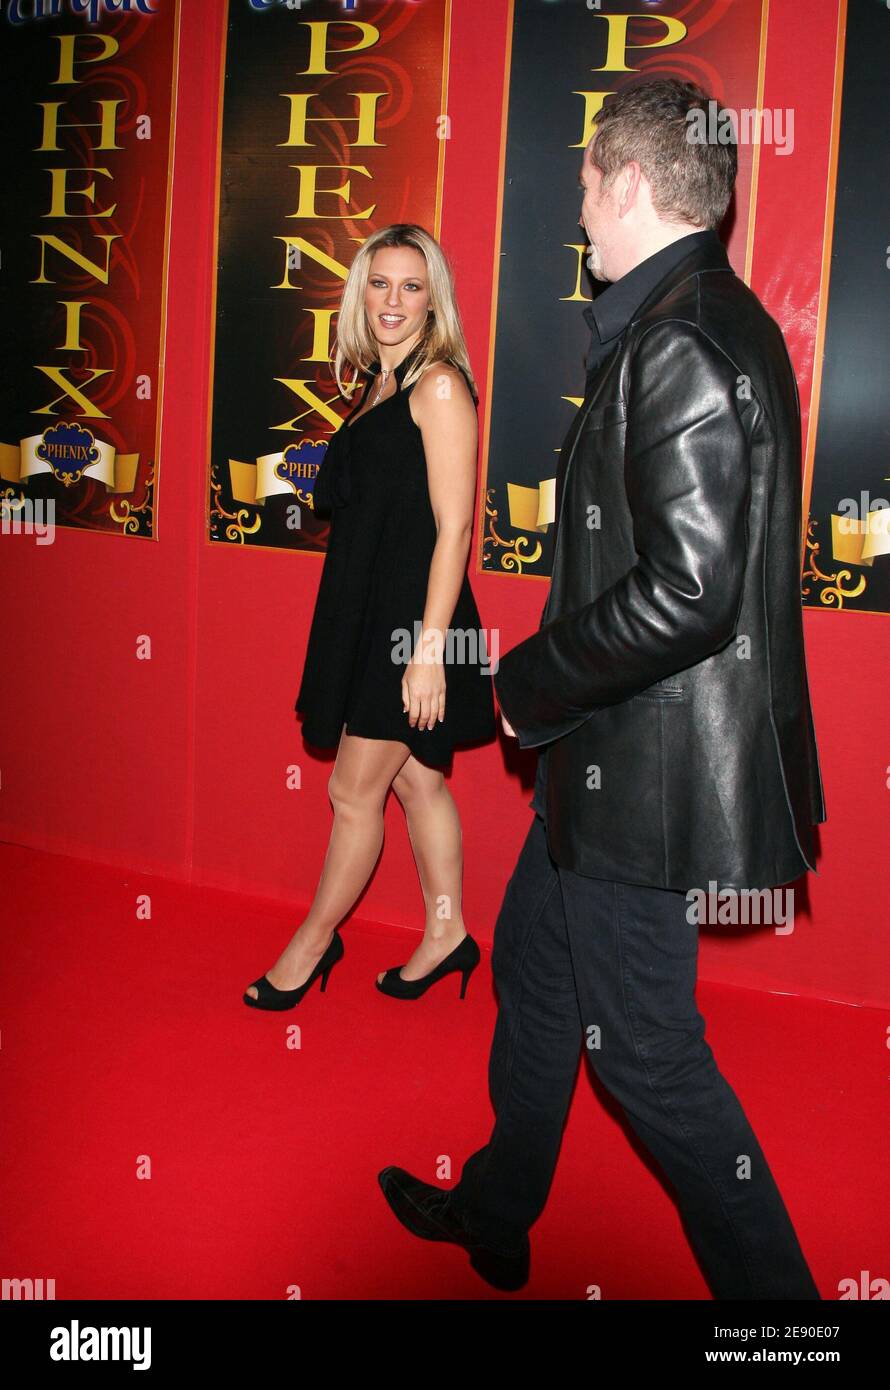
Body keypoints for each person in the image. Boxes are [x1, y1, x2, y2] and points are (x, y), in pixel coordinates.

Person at [378, 79, 826, 1299]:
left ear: (628, 184)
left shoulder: (681, 335)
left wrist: (522, 689)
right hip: (616, 756)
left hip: (646, 777)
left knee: (645, 1059)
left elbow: (688, 594)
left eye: (582, 182)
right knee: (532, 960)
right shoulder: (698, 315)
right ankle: (497, 1207)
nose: (574, 206)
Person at [244, 225, 496, 1010]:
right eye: (380, 285)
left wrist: (426, 654)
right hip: (378, 613)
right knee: (419, 784)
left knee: (353, 794)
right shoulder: (378, 388)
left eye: (411, 286)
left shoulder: (439, 387)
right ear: (360, 294)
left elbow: (456, 527)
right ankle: (447, 933)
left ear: (434, 299)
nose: (393, 301)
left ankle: (312, 944)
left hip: (414, 624)